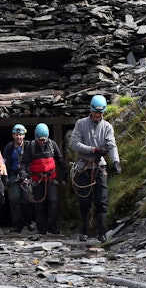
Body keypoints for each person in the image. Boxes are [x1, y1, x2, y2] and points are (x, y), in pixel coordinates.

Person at [68, 94, 122, 238]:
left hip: (99, 167)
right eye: (96, 112)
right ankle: (84, 231)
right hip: (83, 167)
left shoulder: (107, 127)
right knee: (84, 202)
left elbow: (112, 145)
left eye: (101, 112)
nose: (98, 115)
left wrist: (116, 161)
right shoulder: (81, 124)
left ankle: (102, 233)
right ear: (91, 110)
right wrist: (93, 150)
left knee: (101, 201)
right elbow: (73, 144)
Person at [20, 122, 65, 234]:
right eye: (39, 140)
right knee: (39, 204)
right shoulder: (31, 146)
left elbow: (60, 161)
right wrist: (23, 176)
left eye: (43, 140)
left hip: (51, 179)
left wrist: (65, 176)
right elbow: (24, 163)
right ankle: (41, 228)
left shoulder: (52, 145)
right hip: (37, 180)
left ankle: (52, 226)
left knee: (53, 201)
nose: (41, 142)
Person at [2, 124, 32, 232]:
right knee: (15, 200)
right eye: (16, 135)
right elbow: (3, 163)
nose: (18, 137)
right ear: (13, 135)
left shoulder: (29, 146)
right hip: (13, 176)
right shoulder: (8, 148)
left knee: (27, 199)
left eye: (21, 135)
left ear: (24, 135)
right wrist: (4, 177)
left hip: (26, 175)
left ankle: (29, 222)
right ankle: (17, 225)